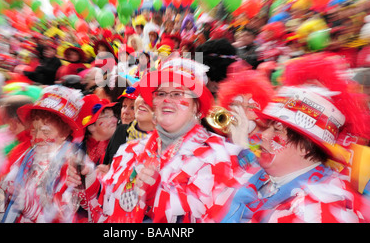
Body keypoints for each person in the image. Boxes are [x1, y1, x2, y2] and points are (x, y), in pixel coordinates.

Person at [68, 58, 254, 223]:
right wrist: (89, 181)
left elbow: (222, 213)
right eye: (161, 94)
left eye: (177, 94)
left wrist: (155, 195)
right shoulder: (129, 151)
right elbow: (108, 207)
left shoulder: (219, 156)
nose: (167, 100)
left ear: (197, 107)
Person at [219, 54, 370, 223]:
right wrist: (238, 145)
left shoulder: (320, 208)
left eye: (277, 129)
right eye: (268, 126)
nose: (264, 134)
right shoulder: (262, 171)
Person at [0, 85, 86, 223]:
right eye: (34, 130)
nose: (37, 137)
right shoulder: (27, 155)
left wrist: (31, 207)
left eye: (46, 132)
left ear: (64, 133)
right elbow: (4, 188)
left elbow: (64, 214)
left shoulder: (71, 165)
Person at [101, 86, 155, 168]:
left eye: (132, 107)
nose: (125, 112)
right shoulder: (120, 131)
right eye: (124, 106)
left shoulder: (158, 141)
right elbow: (106, 166)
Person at [76, 94, 118, 166]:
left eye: (113, 115)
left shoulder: (120, 146)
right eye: (106, 116)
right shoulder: (77, 150)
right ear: (91, 127)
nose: (115, 120)